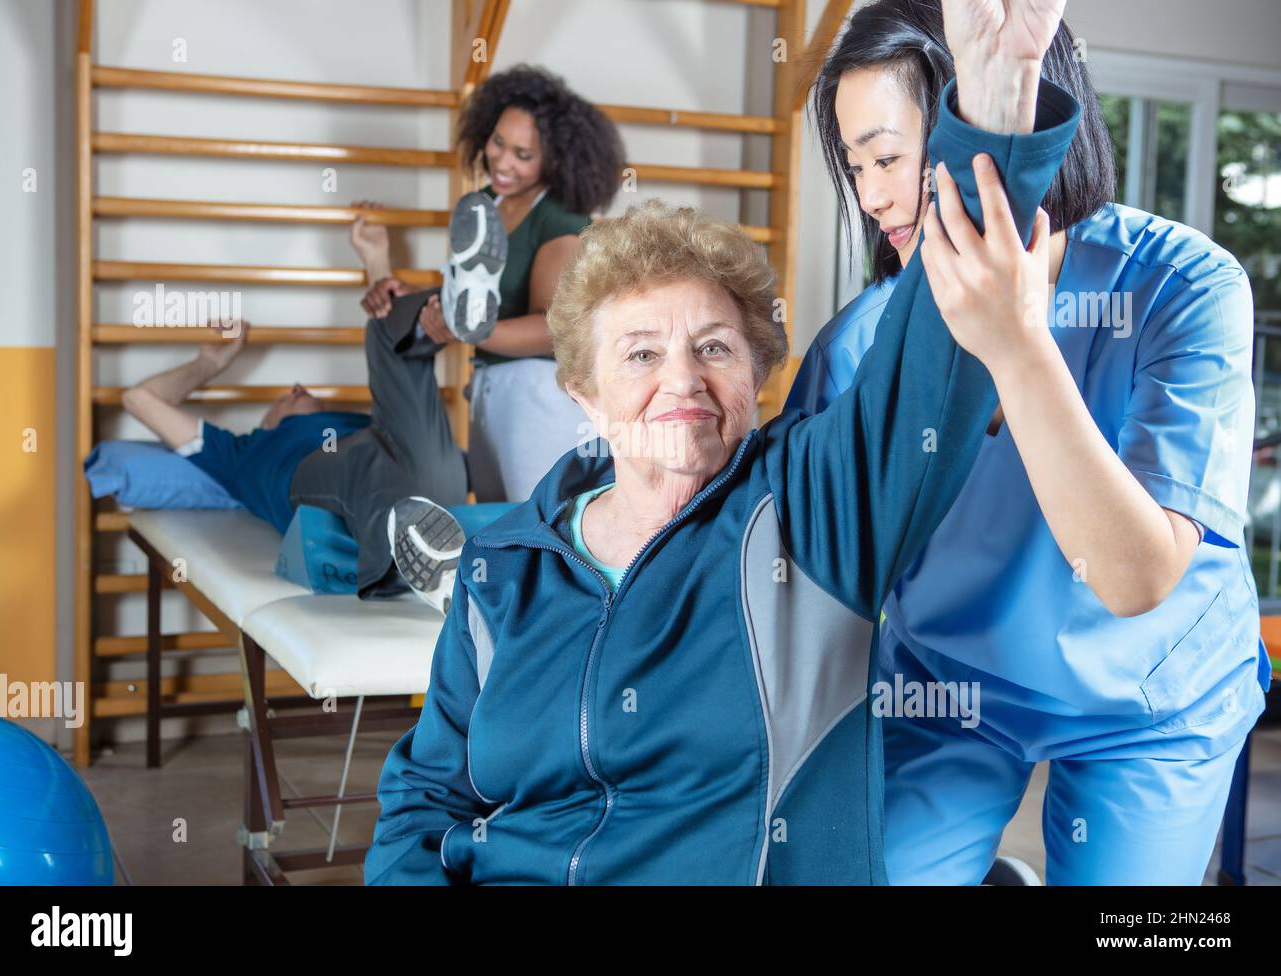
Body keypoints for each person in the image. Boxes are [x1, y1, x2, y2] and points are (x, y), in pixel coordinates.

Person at [364, 14, 1084, 882]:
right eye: (640, 354)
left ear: (757, 377)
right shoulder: (500, 569)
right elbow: (424, 798)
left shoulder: (812, 514)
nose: (682, 382)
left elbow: (938, 341)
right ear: (580, 393)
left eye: (715, 348)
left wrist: (996, 100)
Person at [787, 0, 1269, 885]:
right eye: (855, 167)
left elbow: (1137, 577)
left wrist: (1014, 347)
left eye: (890, 157)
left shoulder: (1184, 286)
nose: (873, 196)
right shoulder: (859, 347)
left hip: (1155, 699)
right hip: (952, 687)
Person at [119, 194, 509, 611]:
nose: (297, 387)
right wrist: (210, 363)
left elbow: (386, 332)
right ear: (269, 425)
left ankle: (454, 309)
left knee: (380, 333)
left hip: (426, 474)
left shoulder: (363, 423)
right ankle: (426, 566)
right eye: (285, 398)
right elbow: (139, 399)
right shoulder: (241, 453)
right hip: (371, 489)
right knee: (360, 460)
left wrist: (376, 260)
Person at [359, 65, 625, 503]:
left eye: (523, 154)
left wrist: (470, 328)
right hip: (484, 388)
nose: (502, 161)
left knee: (537, 533)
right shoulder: (482, 205)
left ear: (555, 159)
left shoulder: (558, 218)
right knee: (496, 534)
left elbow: (553, 329)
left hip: (537, 395)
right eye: (498, 142)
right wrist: (391, 282)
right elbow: (466, 303)